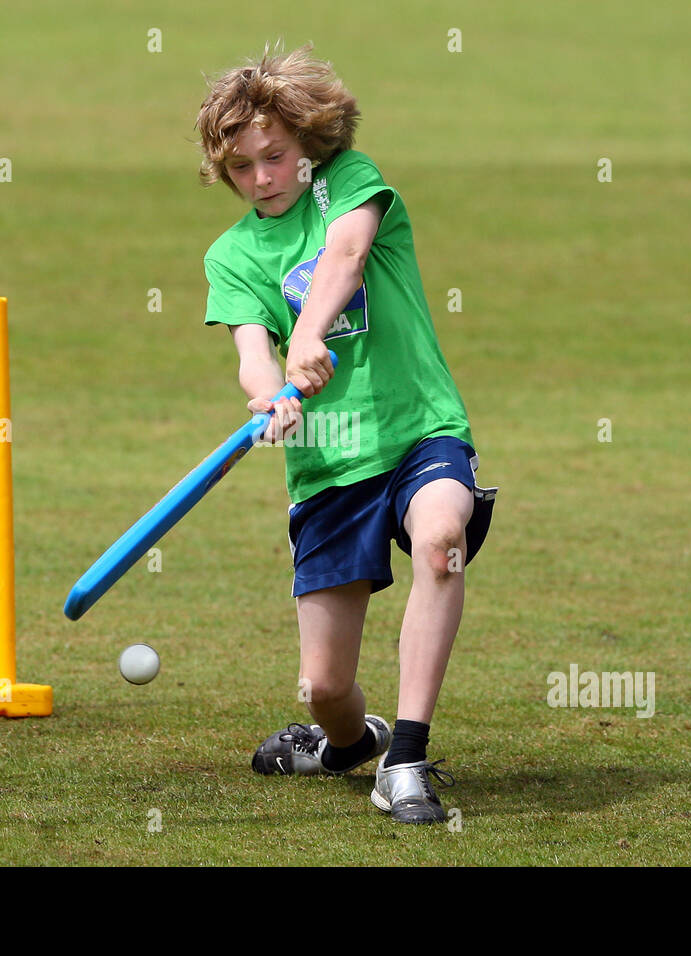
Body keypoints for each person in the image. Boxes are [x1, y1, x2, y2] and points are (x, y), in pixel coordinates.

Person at [195, 43, 496, 824]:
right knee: (325, 688)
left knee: (441, 540)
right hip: (329, 465)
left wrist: (312, 333)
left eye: (276, 156)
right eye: (242, 167)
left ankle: (405, 760)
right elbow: (251, 356)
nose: (263, 178)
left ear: (307, 144)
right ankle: (343, 743)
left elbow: (347, 256)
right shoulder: (230, 256)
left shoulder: (350, 183)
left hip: (417, 427)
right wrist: (271, 400)